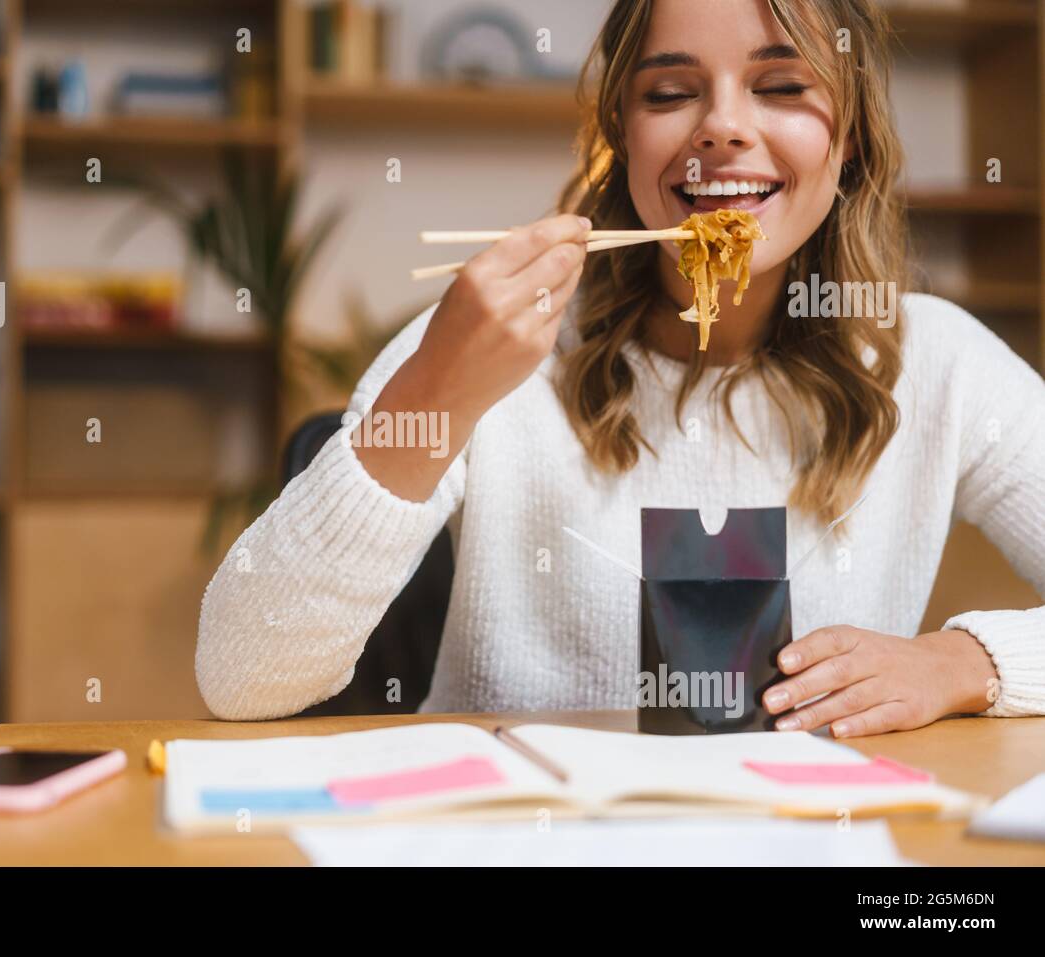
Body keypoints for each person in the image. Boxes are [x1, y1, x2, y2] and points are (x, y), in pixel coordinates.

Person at [196, 0, 1044, 736]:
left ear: (850, 138)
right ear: (623, 139)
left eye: (782, 86)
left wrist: (963, 662)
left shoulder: (936, 362)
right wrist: (438, 392)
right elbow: (242, 678)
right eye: (670, 93)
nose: (722, 126)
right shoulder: (496, 343)